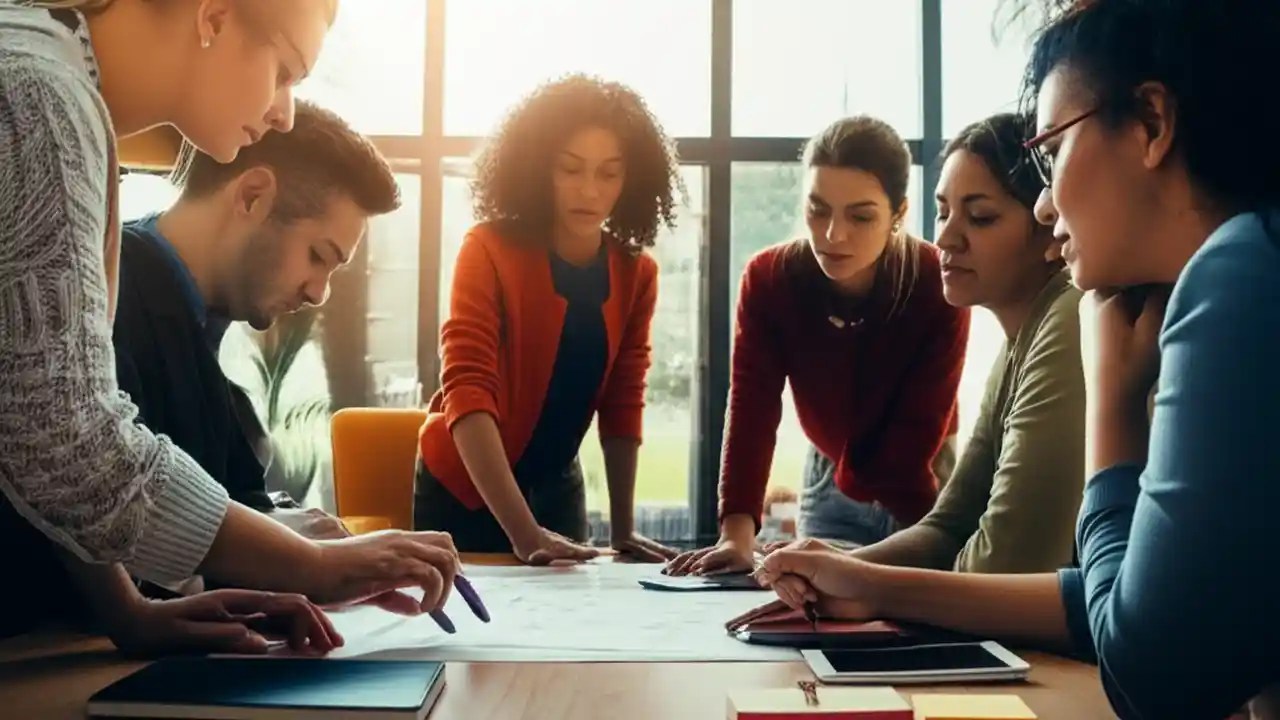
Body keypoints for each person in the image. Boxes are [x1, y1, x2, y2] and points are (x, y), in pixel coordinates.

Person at [755, 1, 1280, 718]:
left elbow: (1151, 674)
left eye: (1052, 152)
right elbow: (1122, 599)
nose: (1043, 206)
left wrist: (1112, 407)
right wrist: (867, 583)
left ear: (1152, 124)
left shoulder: (1240, 272)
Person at [0, 0, 459, 652]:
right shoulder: (41, 101)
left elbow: (32, 425)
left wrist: (128, 612)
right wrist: (311, 565)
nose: (285, 112)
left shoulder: (60, 95)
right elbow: (66, 442)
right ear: (213, 16)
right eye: (284, 70)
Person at [668, 116, 970, 577]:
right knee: (811, 603)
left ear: (899, 214)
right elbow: (752, 405)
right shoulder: (769, 279)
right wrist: (736, 534)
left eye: (860, 216)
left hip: (923, 477)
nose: (833, 234)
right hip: (829, 471)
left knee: (908, 605)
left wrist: (922, 550)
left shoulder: (935, 280)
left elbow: (914, 436)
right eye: (818, 209)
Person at [414, 74, 682, 564]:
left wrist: (624, 530)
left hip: (558, 491)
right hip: (465, 490)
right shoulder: (486, 249)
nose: (589, 190)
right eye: (570, 169)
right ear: (538, 167)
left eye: (609, 174)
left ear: (632, 179)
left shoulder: (636, 272)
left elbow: (624, 398)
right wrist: (525, 534)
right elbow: (467, 391)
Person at [113, 100, 398, 542]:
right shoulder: (103, 298)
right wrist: (298, 554)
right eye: (317, 256)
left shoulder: (197, 323)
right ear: (252, 196)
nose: (318, 293)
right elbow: (117, 513)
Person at [849, 113, 1084, 574]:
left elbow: (1007, 563)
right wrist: (825, 570)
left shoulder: (1069, 319)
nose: (945, 238)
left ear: (1048, 221)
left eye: (980, 217)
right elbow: (948, 526)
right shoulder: (1021, 339)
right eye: (942, 212)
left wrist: (855, 582)